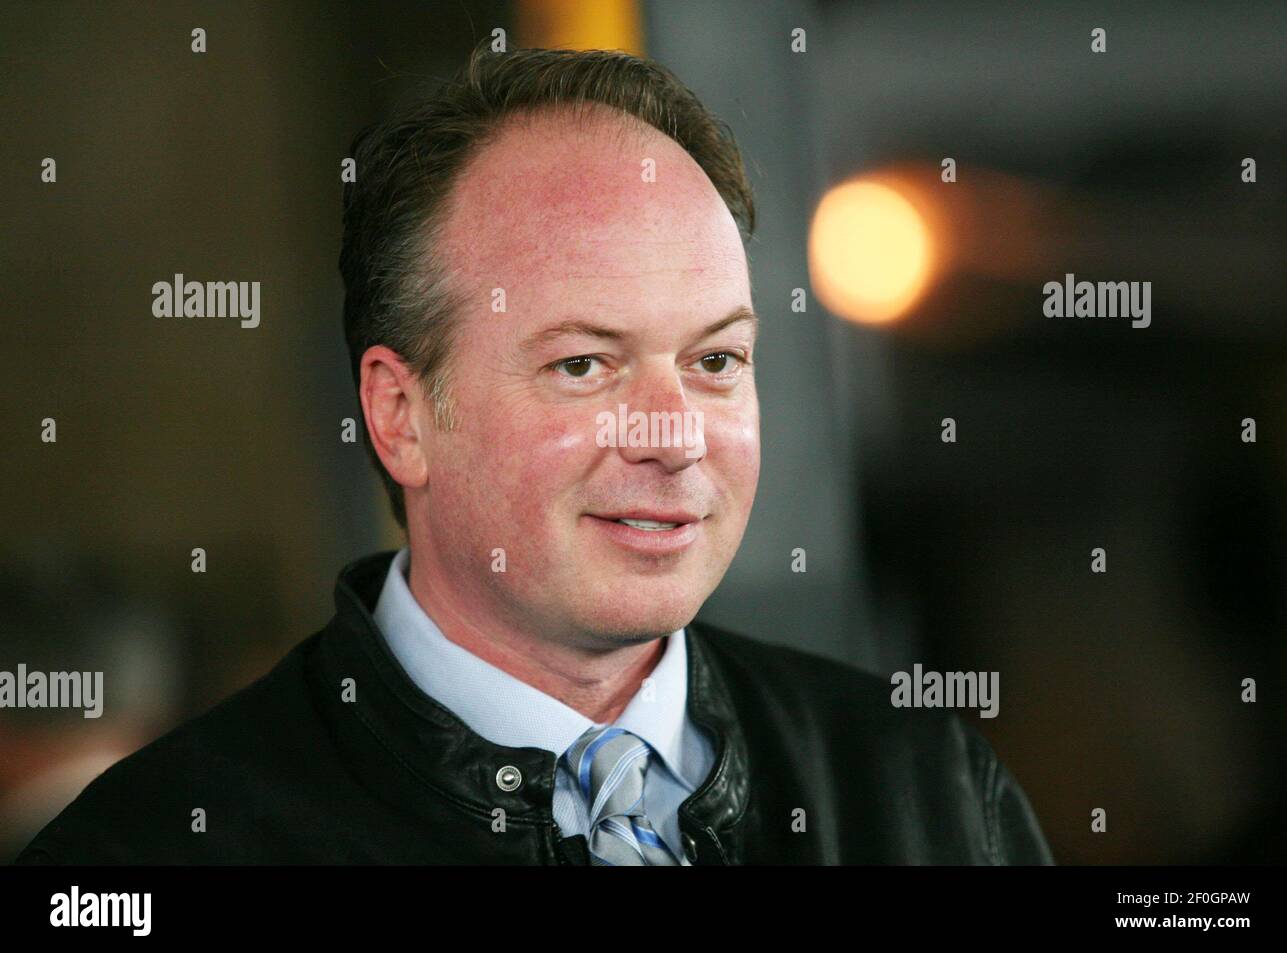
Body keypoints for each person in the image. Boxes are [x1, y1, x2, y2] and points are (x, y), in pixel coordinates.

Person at [16, 40, 1053, 865]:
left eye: (716, 359)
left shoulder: (926, 789)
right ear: (400, 414)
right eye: (582, 366)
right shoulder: (149, 851)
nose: (672, 436)